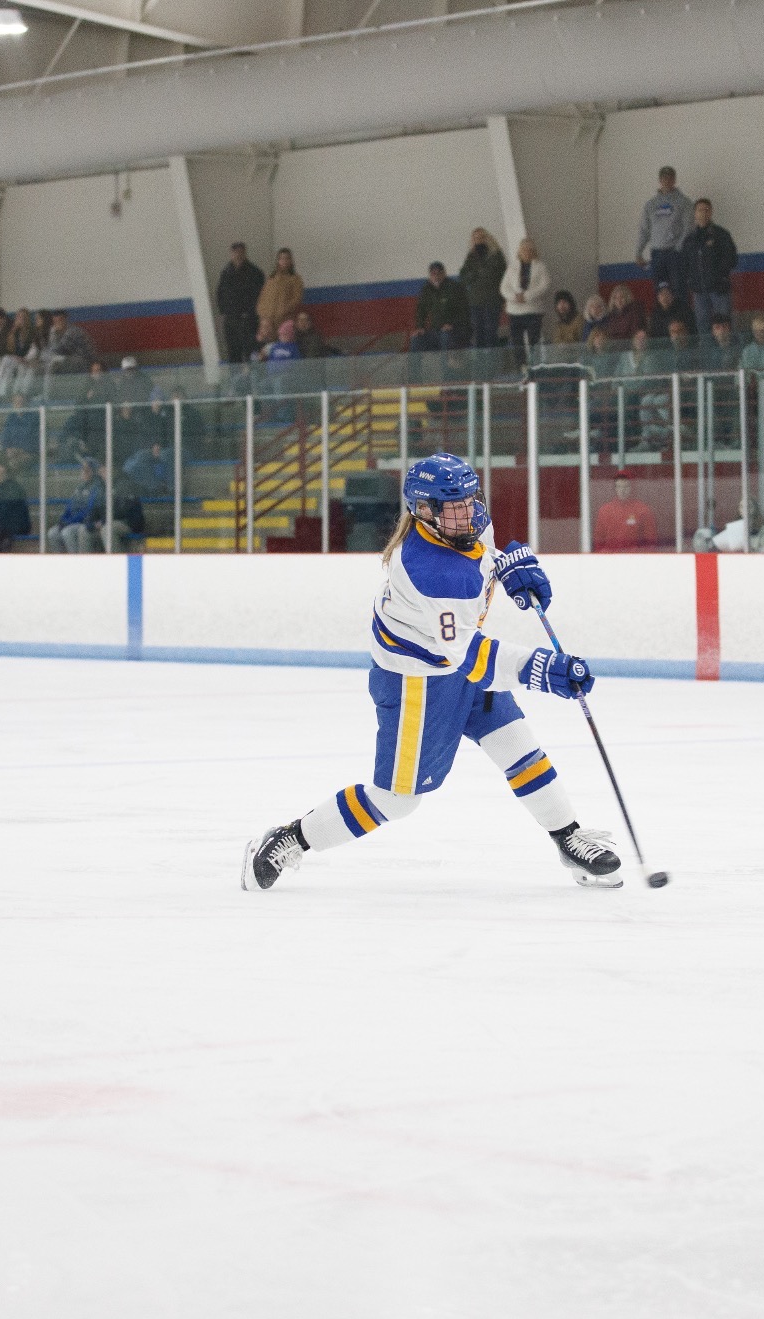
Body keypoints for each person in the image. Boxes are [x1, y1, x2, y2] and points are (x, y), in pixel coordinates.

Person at [239, 453, 623, 893]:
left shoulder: (466, 524)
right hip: (416, 683)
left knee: (517, 744)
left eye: (469, 500)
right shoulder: (427, 571)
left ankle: (567, 837)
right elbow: (473, 659)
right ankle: (290, 839)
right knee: (396, 801)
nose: (466, 512)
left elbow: (484, 559)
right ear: (423, 512)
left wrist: (511, 568)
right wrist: (544, 670)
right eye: (451, 506)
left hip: (454, 660)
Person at [681, 198, 739, 335]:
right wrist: (691, 281)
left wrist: (719, 277)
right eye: (700, 210)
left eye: (707, 210)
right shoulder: (689, 240)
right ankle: (707, 355)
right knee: (703, 328)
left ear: (711, 212)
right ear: (694, 213)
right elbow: (685, 264)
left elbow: (732, 259)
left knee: (724, 327)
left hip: (719, 290)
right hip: (699, 292)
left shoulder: (722, 234)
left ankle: (727, 356)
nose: (703, 213)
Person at [636, 166, 693, 299]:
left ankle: (681, 319)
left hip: (676, 254)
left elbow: (689, 228)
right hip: (656, 254)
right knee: (660, 292)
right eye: (664, 177)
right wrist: (638, 252)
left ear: (674, 180)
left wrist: (678, 248)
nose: (667, 180)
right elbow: (644, 230)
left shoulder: (684, 202)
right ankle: (665, 320)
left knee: (679, 291)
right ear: (660, 180)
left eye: (670, 177)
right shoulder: (650, 204)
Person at [47, 455, 111, 553]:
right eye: (82, 469)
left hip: (84, 522)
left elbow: (89, 511)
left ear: (93, 472)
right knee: (52, 533)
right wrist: (63, 520)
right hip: (72, 522)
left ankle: (76, 562)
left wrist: (69, 522)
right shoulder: (80, 488)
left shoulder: (98, 488)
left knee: (67, 532)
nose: (83, 472)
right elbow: (70, 507)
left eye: (87, 470)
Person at [500, 237, 553, 354]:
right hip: (514, 311)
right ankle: (521, 366)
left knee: (534, 341)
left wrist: (527, 296)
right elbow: (504, 287)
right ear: (519, 251)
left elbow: (545, 285)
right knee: (517, 343)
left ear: (534, 251)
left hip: (533, 310)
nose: (526, 252)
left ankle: (535, 366)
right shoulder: (512, 267)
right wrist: (515, 296)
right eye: (524, 249)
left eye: (529, 250)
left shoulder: (541, 267)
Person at [216, 242, 266, 364]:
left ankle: (253, 381)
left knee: (250, 352)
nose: (238, 255)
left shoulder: (255, 273)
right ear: (231, 254)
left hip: (248, 319)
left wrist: (250, 313)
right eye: (235, 252)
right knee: (233, 353)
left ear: (245, 253)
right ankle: (236, 381)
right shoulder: (226, 272)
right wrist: (224, 311)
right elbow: (220, 293)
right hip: (231, 319)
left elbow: (259, 296)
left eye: (240, 252)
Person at [459, 228, 507, 350]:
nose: (478, 240)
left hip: (492, 300)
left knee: (491, 332)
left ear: (487, 238)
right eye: (475, 238)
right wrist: (476, 273)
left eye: (481, 237)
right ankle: (483, 365)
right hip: (475, 301)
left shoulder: (496, 255)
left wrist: (477, 273)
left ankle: (494, 363)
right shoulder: (471, 256)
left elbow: (499, 276)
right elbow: (463, 276)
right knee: (478, 334)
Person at [593, 471, 659, 552]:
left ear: (632, 488)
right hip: (611, 560)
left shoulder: (642, 510)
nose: (622, 490)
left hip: (634, 560)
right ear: (615, 488)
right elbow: (598, 540)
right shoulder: (604, 510)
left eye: (626, 486)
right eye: (619, 486)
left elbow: (650, 541)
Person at [412, 262, 471, 352]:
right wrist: (420, 327)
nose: (436, 276)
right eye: (433, 274)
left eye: (439, 273)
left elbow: (464, 311)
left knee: (445, 337)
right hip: (435, 330)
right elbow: (421, 311)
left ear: (444, 274)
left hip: (456, 330)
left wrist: (452, 324)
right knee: (416, 339)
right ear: (430, 275)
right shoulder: (426, 290)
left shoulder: (455, 288)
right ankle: (415, 367)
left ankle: (445, 366)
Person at [256, 249, 304, 352]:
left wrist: (282, 311)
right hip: (267, 324)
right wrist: (262, 315)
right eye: (282, 258)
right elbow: (262, 298)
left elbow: (297, 299)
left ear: (291, 261)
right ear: (278, 260)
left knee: (283, 351)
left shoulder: (295, 279)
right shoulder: (271, 279)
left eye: (287, 258)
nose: (284, 261)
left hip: (284, 323)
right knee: (268, 352)